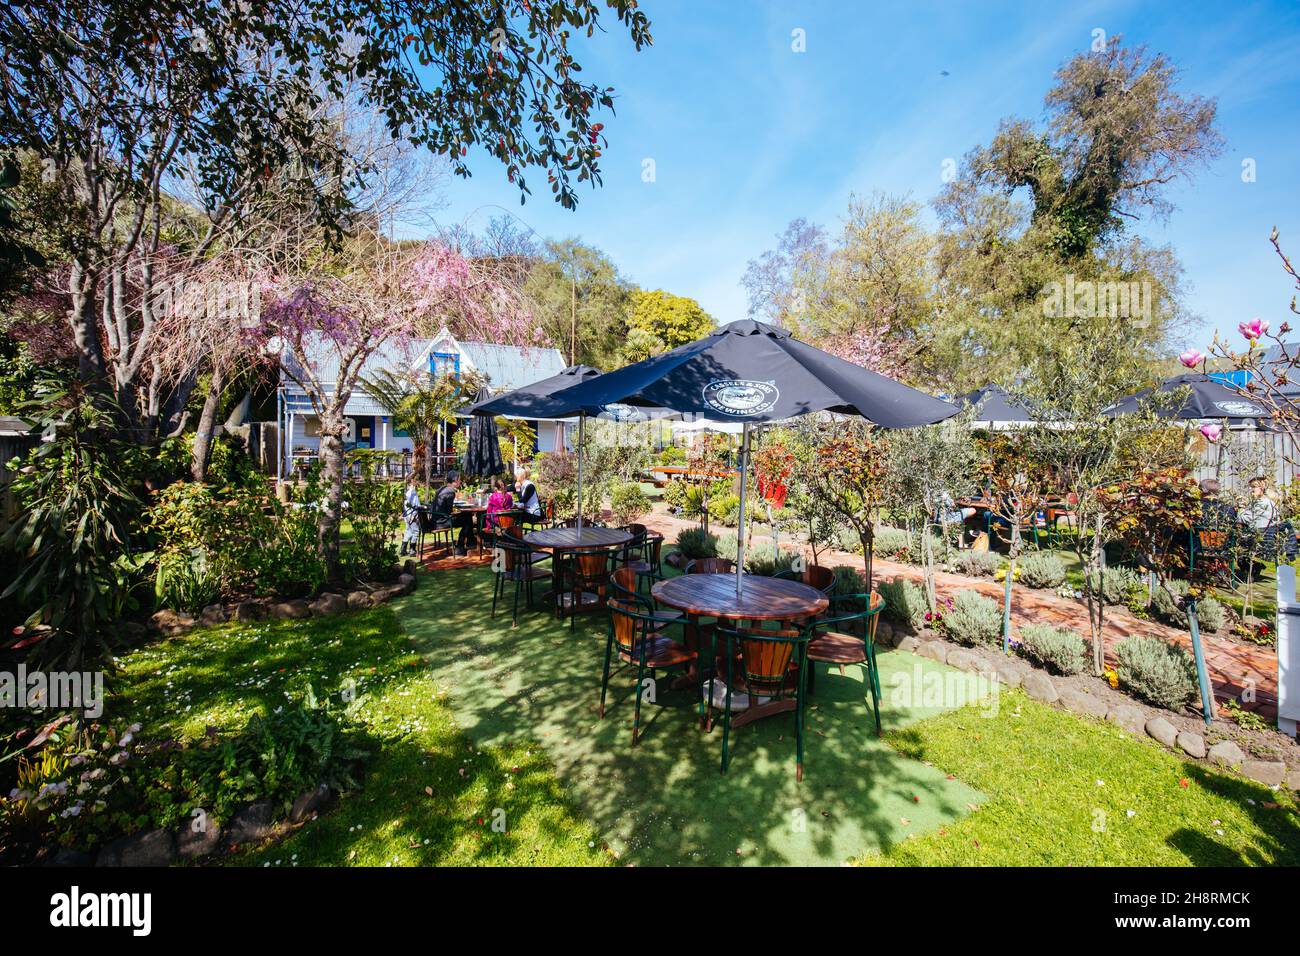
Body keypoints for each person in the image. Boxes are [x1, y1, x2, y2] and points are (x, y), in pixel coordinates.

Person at [432, 470, 476, 556]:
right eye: (459, 479)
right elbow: (449, 512)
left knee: (466, 516)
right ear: (455, 480)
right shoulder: (450, 491)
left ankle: (470, 542)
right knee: (467, 519)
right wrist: (457, 512)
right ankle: (461, 546)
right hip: (442, 522)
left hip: (436, 520)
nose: (460, 481)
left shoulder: (442, 488)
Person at [400, 478, 421, 556]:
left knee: (408, 531)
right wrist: (413, 515)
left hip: (407, 514)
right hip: (411, 514)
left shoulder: (408, 492)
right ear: (412, 482)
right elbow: (413, 505)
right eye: (415, 480)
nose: (417, 482)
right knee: (416, 531)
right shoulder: (411, 492)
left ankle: (403, 549)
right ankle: (412, 550)